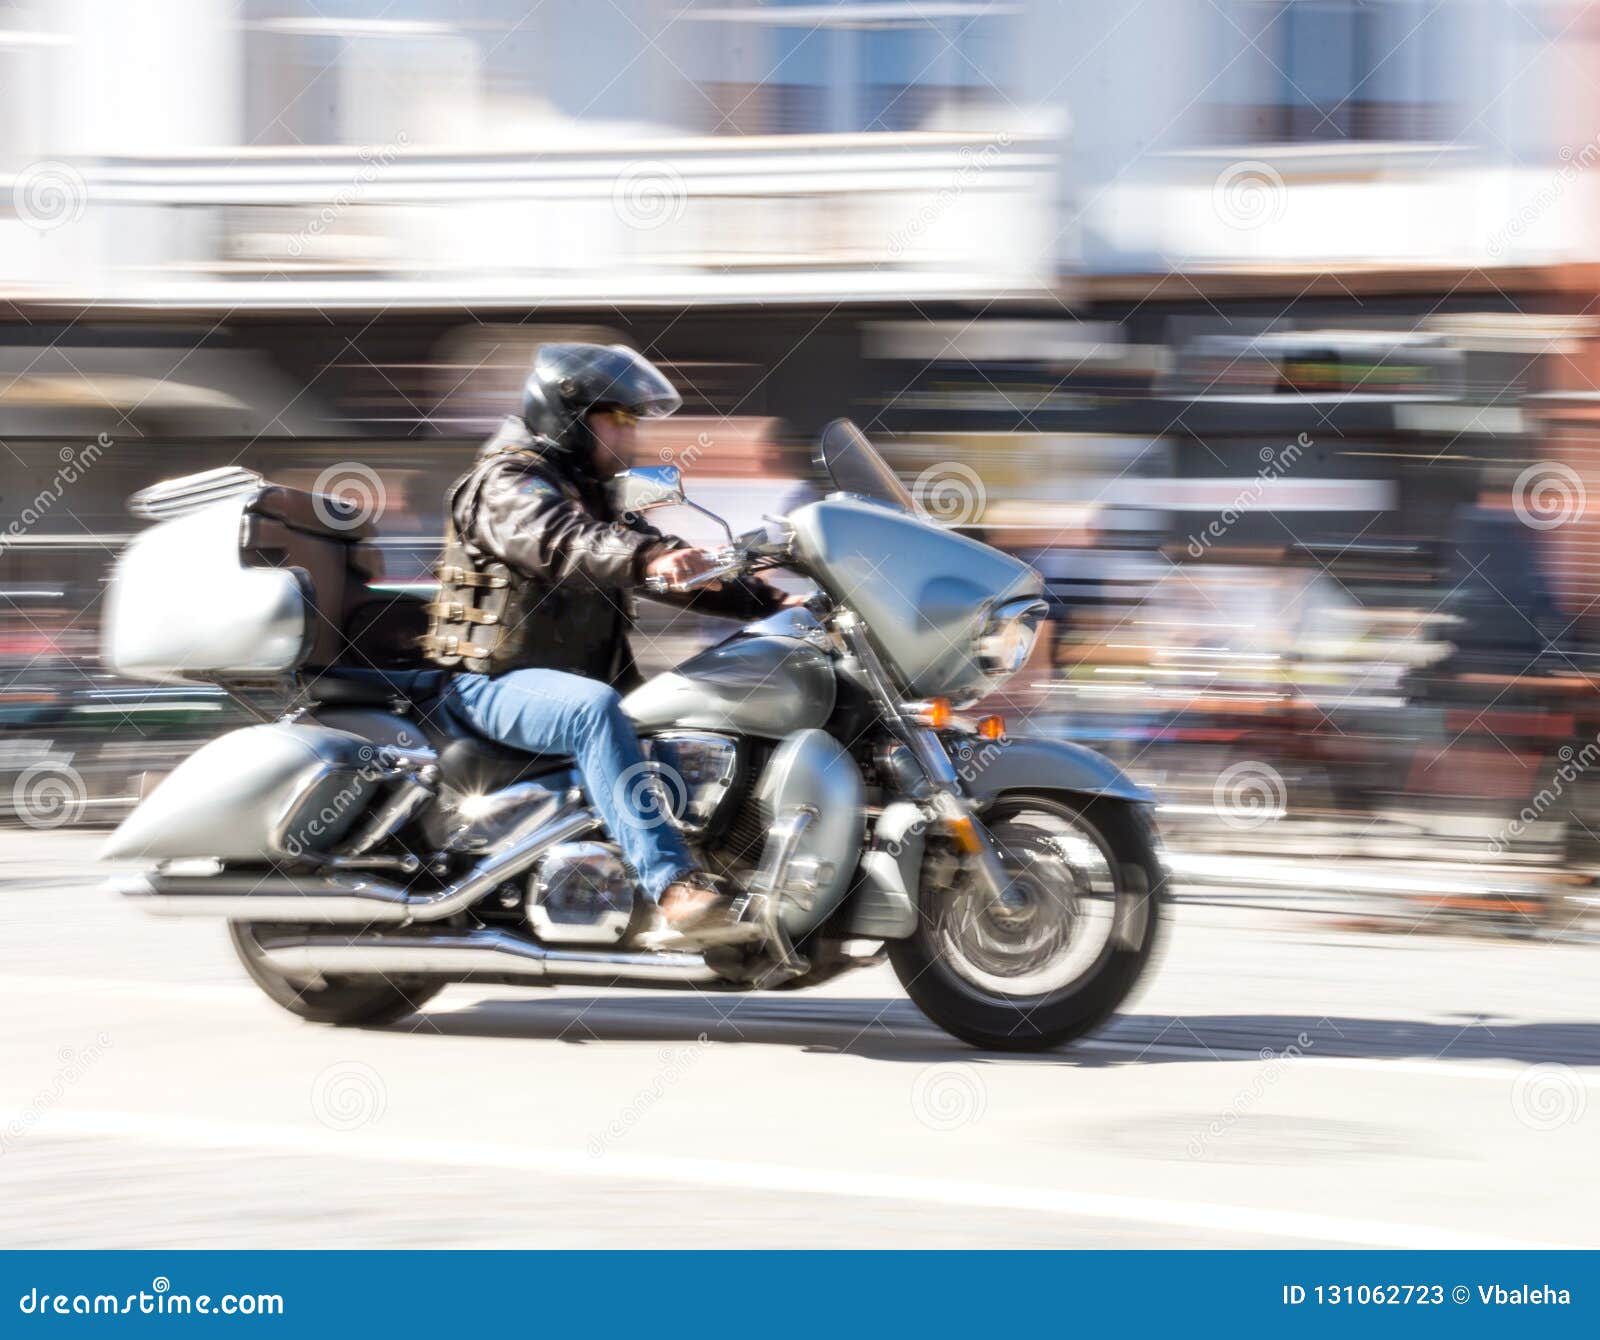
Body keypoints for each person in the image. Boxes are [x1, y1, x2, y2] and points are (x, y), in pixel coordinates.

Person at [421, 343, 790, 944]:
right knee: (593, 711)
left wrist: (773, 601)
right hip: (491, 683)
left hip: (566, 680)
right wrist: (649, 557)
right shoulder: (507, 481)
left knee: (701, 719)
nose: (630, 435)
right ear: (569, 417)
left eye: (634, 421)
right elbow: (564, 542)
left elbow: (674, 566)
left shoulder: (594, 489)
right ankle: (673, 887)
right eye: (617, 418)